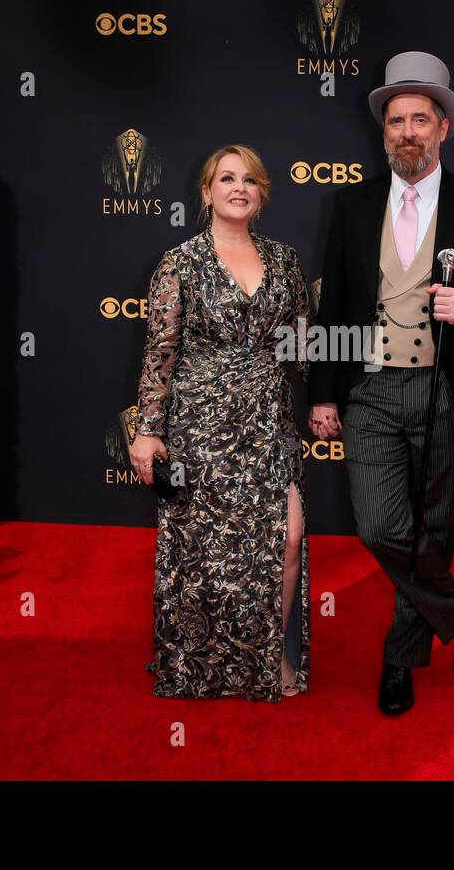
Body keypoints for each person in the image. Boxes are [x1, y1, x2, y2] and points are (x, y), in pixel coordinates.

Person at [308, 51, 454, 715]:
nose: (406, 131)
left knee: (432, 533)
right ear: (384, 131)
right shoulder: (352, 203)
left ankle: (400, 660)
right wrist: (321, 391)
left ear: (443, 129)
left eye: (419, 120)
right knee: (380, 527)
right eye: (395, 121)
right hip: (369, 390)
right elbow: (336, 301)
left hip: (443, 391)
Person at [131, 144, 311, 701]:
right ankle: (195, 661)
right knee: (203, 550)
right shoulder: (179, 262)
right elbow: (160, 352)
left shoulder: (284, 260)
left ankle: (268, 653)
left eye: (250, 180)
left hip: (268, 421)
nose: (239, 188)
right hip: (198, 425)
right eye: (227, 178)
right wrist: (147, 430)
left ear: (262, 195)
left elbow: (305, 345)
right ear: (206, 191)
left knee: (288, 536)